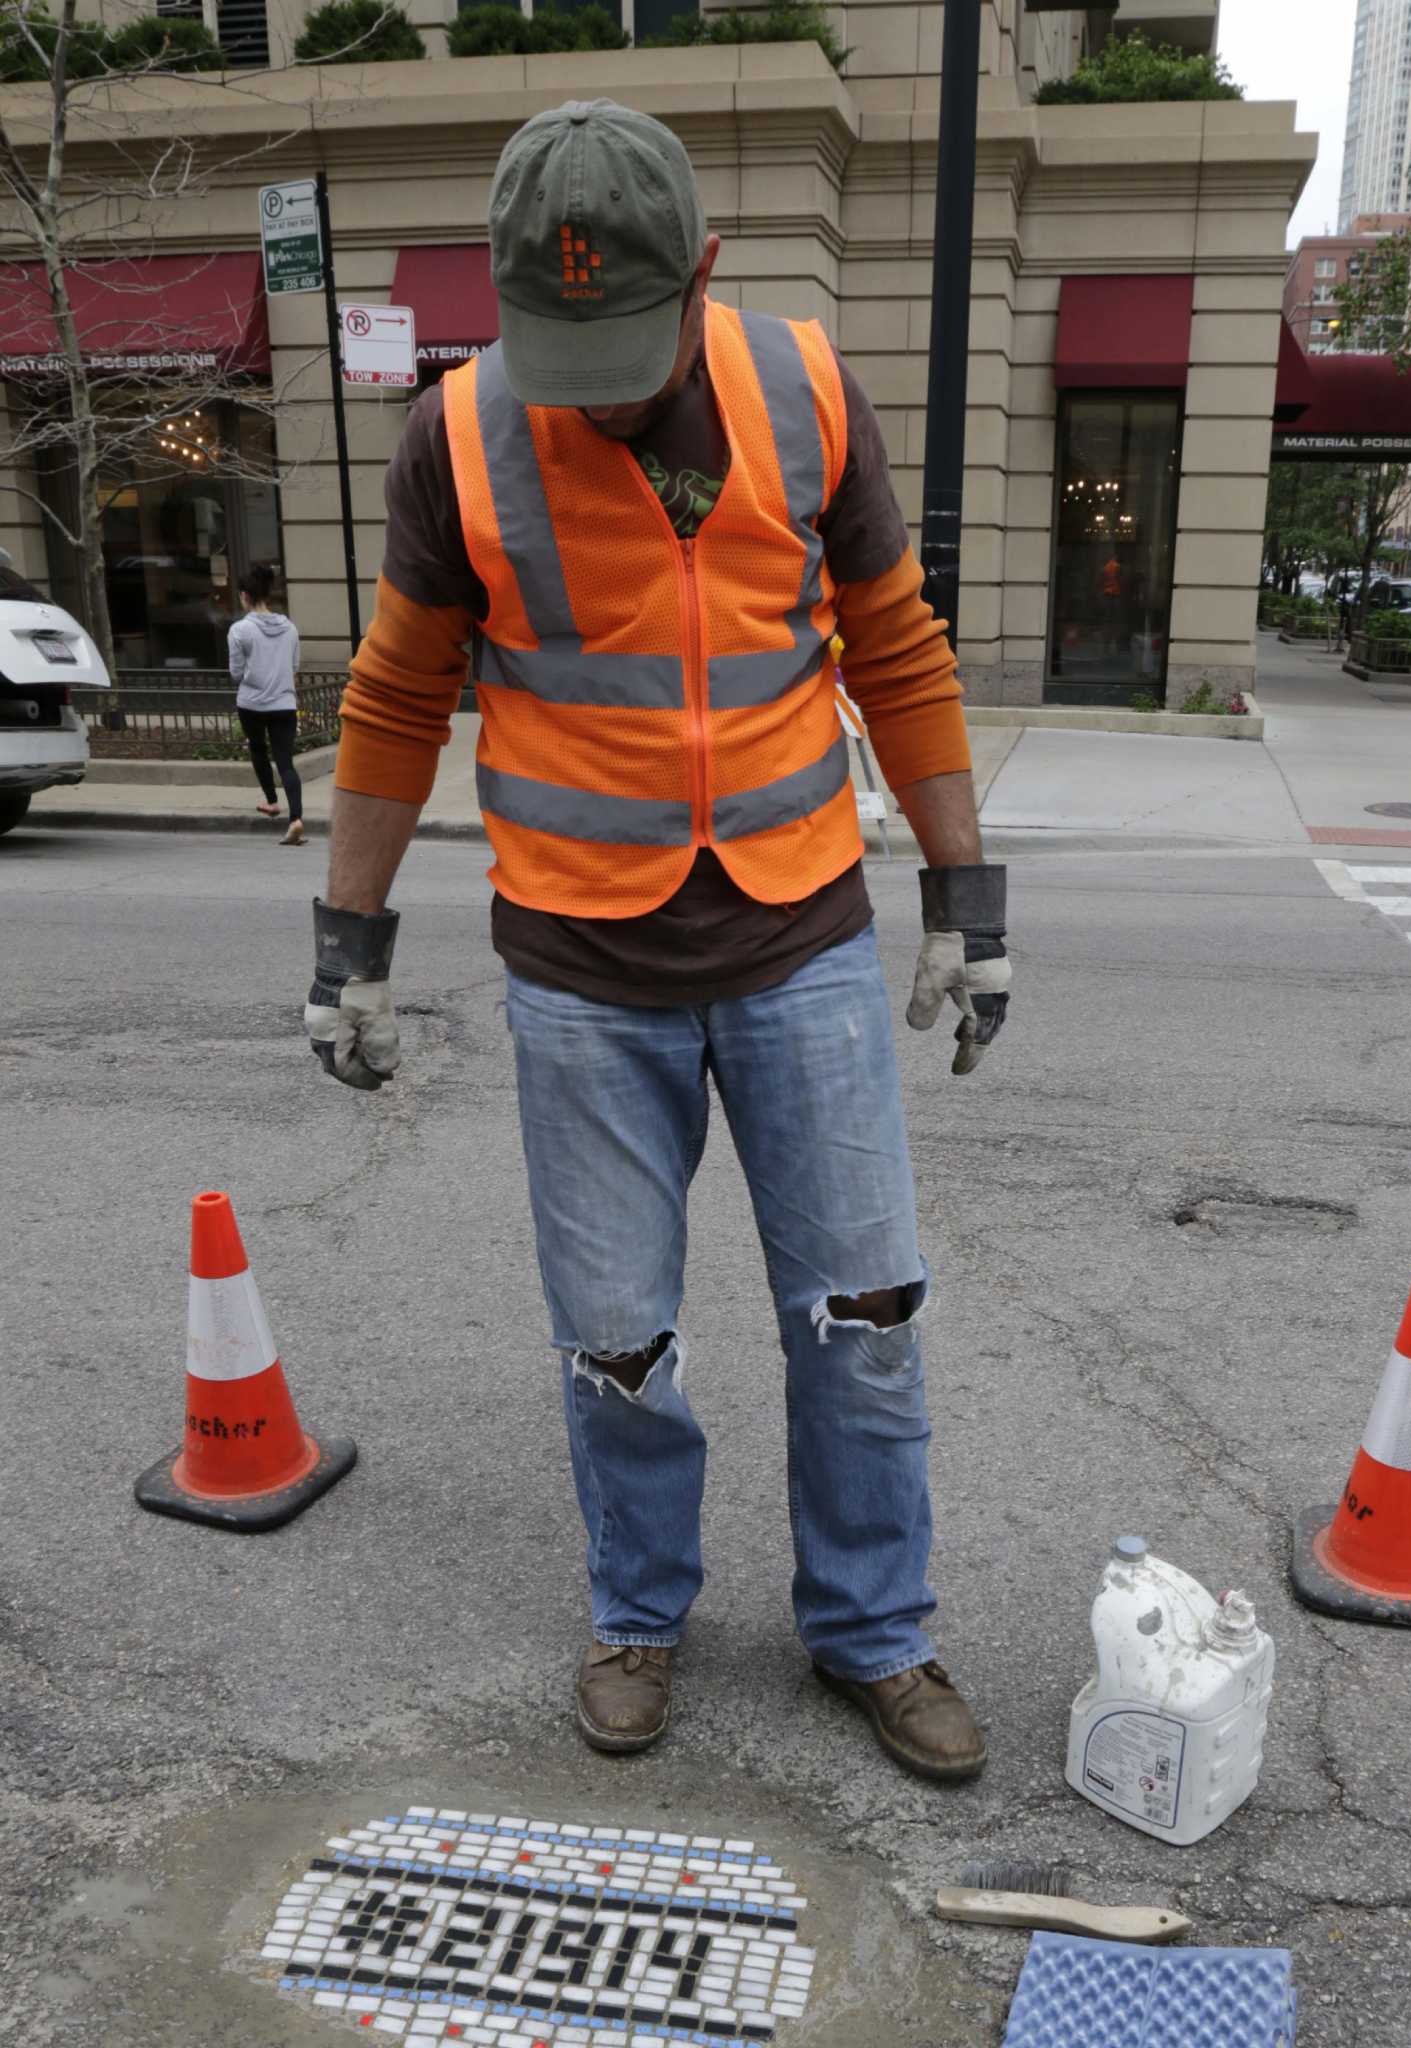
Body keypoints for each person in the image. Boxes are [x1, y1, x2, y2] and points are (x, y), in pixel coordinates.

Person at [303, 100, 1012, 1781]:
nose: (594, 388)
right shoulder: (455, 438)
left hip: (801, 939)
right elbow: (398, 697)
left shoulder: (806, 388)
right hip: (579, 969)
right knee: (615, 1336)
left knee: (865, 1313)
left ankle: (874, 1627)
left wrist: (964, 898)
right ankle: (640, 1607)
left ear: (701, 268)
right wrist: (350, 934)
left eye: (622, 342)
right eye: (560, 345)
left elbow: (896, 650)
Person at [229, 563, 304, 845]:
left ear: (245, 596)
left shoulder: (239, 631)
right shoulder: (290, 629)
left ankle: (272, 801)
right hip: (284, 703)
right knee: (286, 762)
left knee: (259, 750)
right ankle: (296, 819)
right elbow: (294, 666)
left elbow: (236, 673)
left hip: (252, 704)